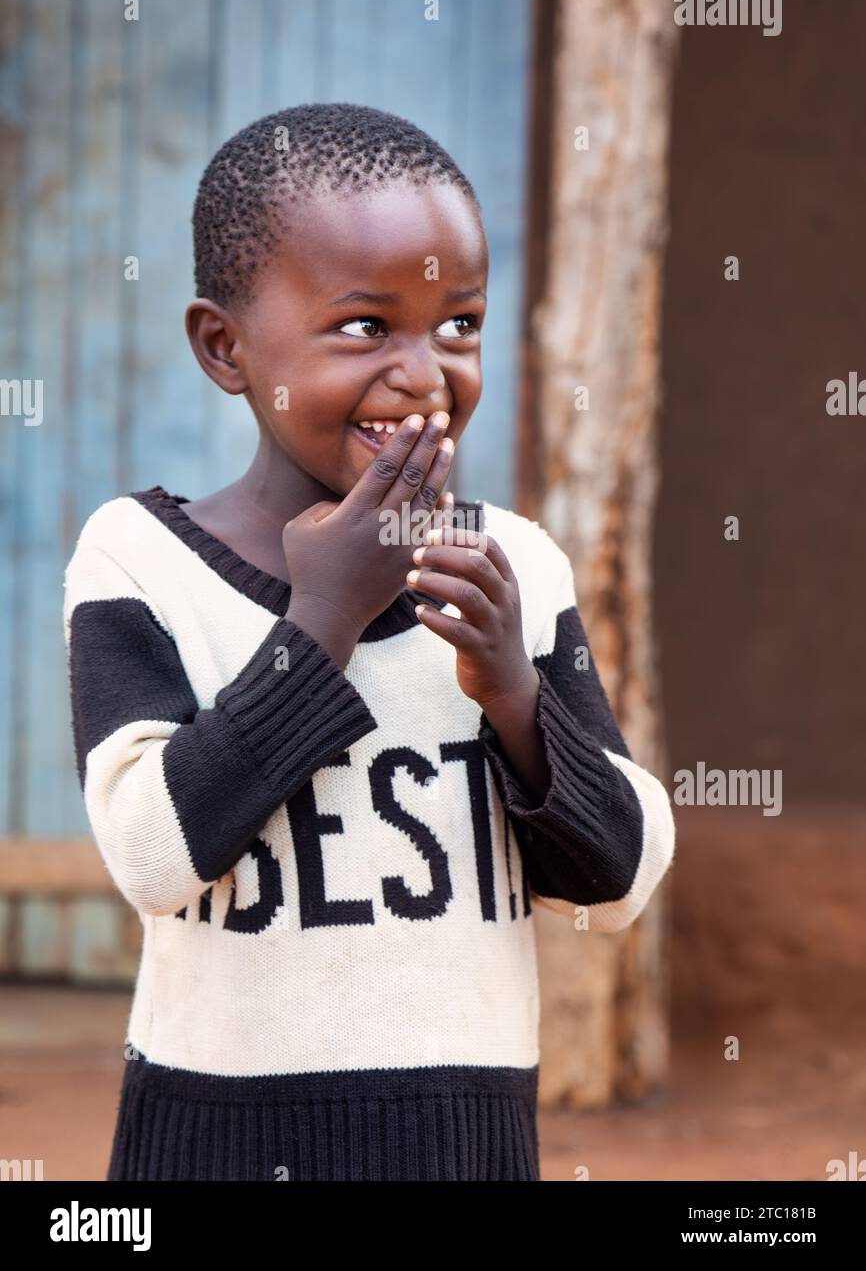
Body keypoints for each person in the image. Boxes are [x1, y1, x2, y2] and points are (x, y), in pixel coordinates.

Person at [62, 102, 676, 1181]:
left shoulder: (514, 569)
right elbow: (153, 858)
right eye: (363, 327)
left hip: (462, 1153)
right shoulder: (139, 563)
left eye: (459, 324)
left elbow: (622, 874)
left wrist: (516, 699)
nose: (423, 372)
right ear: (226, 347)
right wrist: (323, 620)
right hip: (217, 1152)